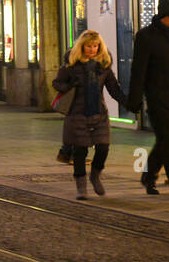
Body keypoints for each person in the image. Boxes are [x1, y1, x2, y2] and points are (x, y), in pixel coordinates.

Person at [127, 0, 169, 200]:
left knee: (165, 141)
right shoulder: (146, 37)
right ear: (162, 16)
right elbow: (139, 70)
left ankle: (148, 174)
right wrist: (134, 99)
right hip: (159, 99)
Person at [52, 30, 125, 200]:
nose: (92, 49)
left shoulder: (103, 65)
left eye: (95, 46)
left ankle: (95, 175)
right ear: (82, 47)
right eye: (88, 46)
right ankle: (81, 185)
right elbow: (57, 83)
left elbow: (113, 88)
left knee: (103, 147)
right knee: (79, 151)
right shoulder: (71, 65)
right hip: (77, 113)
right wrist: (70, 84)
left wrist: (128, 102)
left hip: (98, 112)